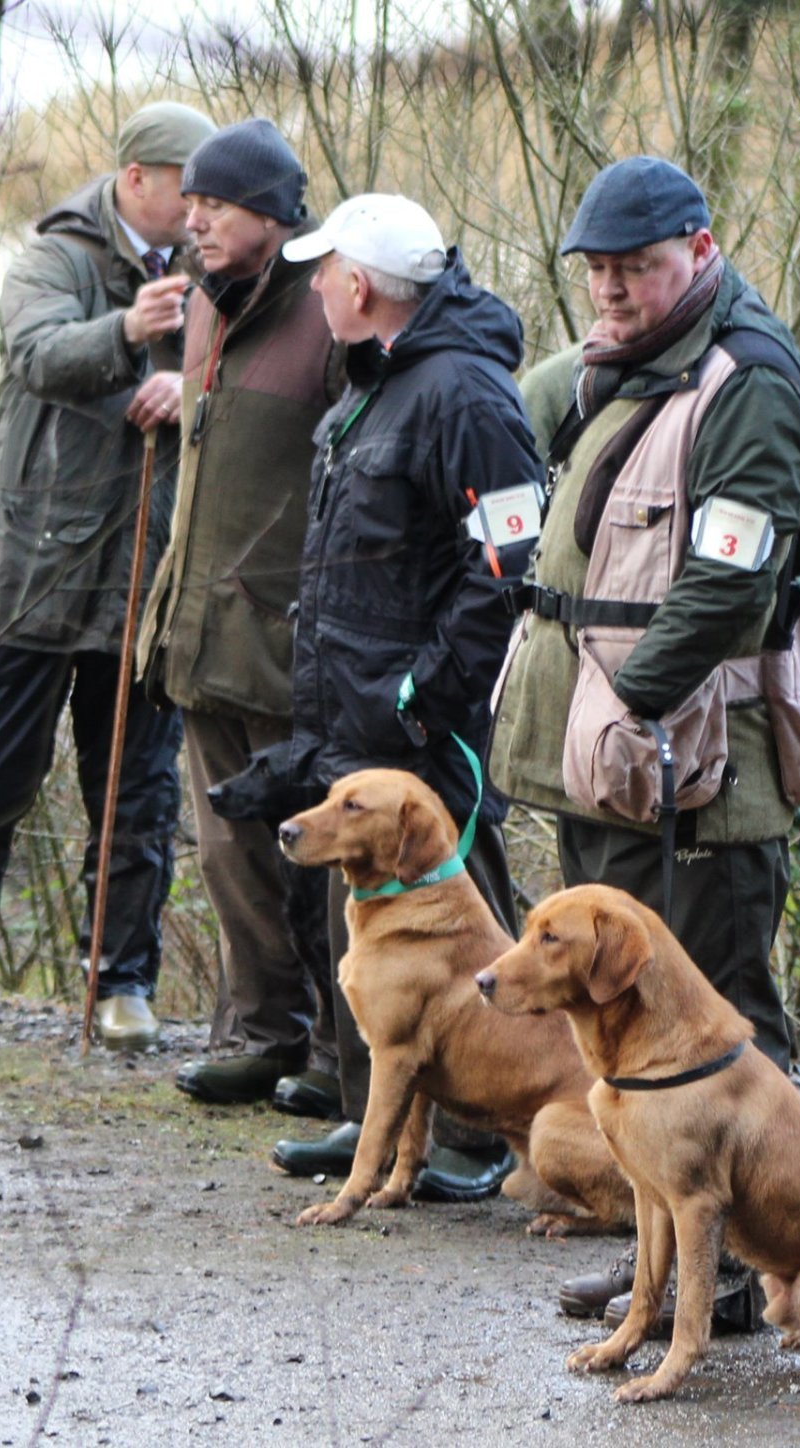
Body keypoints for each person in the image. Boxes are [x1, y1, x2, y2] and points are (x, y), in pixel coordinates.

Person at [489, 157, 800, 1328]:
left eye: (636, 268)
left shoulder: (752, 380)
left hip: (692, 763)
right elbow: (501, 412)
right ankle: (668, 1272)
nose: (614, 291)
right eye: (597, 272)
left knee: (721, 1008)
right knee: (629, 1029)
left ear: (699, 245)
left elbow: (732, 578)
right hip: (606, 757)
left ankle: (743, 1269)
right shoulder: (613, 364)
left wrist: (633, 699)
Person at [0, 102, 215, 1047]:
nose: (200, 213)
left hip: (148, 583)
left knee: (137, 798)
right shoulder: (53, 258)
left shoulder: (224, 267)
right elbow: (37, 355)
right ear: (137, 179)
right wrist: (124, 331)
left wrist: (196, 385)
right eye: (188, 192)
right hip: (32, 578)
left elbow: (279, 375)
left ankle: (123, 988)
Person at [248, 196, 543, 1197]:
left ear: (361, 284)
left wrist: (425, 691)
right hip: (357, 715)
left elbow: (506, 565)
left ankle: (480, 1136)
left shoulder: (463, 395)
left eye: (323, 272)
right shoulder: (372, 391)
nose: (316, 288)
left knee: (468, 928)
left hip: (426, 727)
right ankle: (375, 1127)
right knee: (373, 928)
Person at [135, 120, 347, 1107]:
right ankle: (257, 1030)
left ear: (271, 212)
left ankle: (342, 1052)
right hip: (201, 631)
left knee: (319, 856)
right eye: (190, 205)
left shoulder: (332, 312)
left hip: (292, 640)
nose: (194, 220)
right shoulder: (205, 307)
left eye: (214, 205)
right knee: (228, 853)